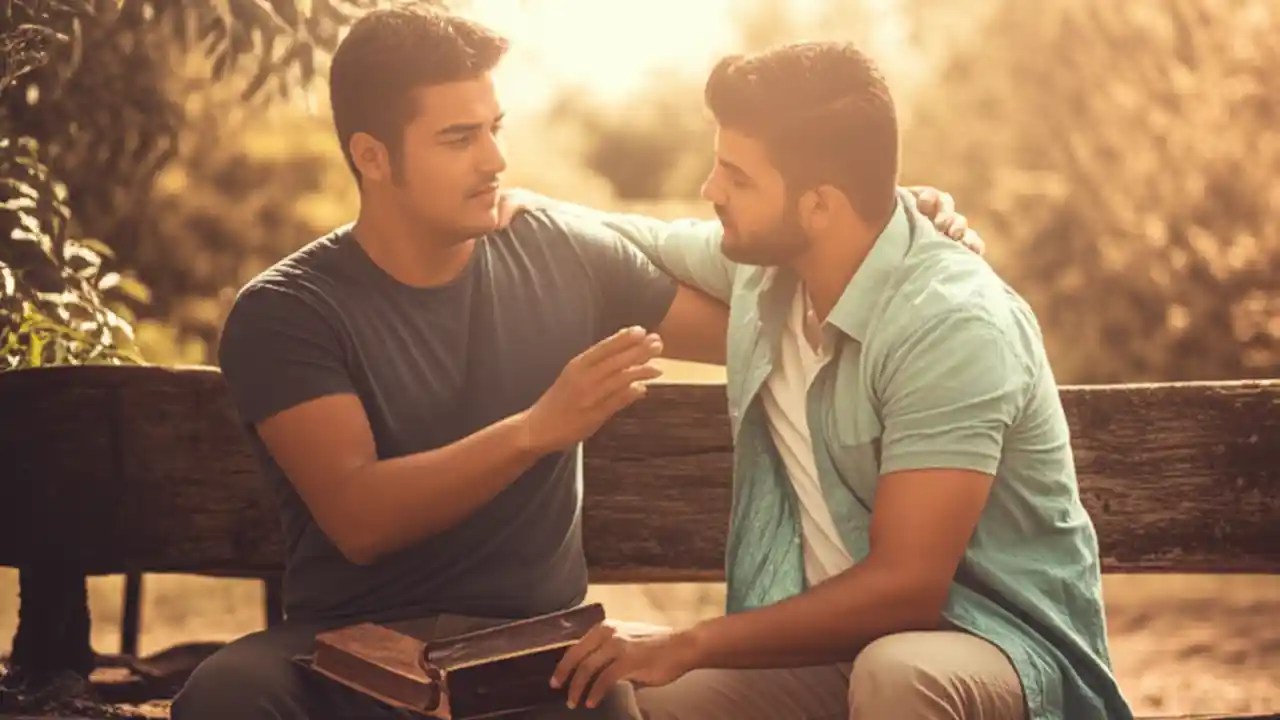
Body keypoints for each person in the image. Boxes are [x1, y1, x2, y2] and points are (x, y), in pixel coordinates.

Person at [171, 8, 975, 720]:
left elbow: (780, 321)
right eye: (458, 138)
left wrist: (883, 229)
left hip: (534, 657)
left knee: (601, 698)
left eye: (495, 126)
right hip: (344, 656)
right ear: (372, 157)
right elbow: (360, 517)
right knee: (225, 694)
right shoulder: (289, 311)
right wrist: (536, 430)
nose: (494, 158)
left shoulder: (559, 254)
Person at [535, 42, 1134, 720]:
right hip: (839, 654)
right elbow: (634, 240)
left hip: (999, 653)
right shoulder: (768, 273)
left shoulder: (950, 323)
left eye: (737, 176)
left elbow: (907, 588)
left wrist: (688, 641)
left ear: (819, 205)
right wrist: (512, 206)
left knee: (899, 673)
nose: (711, 190)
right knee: (645, 698)